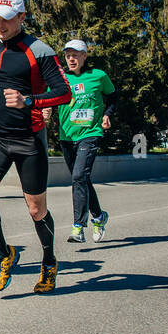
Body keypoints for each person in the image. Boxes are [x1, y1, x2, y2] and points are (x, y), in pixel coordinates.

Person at [0, 0, 71, 293]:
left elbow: (64, 92)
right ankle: (4, 253)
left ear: (22, 18)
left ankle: (49, 261)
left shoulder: (39, 50)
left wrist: (29, 100)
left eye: (6, 19)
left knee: (36, 210)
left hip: (29, 139)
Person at [55, 38, 114, 242]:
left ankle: (78, 226)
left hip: (90, 133)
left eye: (75, 55)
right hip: (67, 136)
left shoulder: (98, 76)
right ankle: (99, 216)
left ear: (84, 56)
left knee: (79, 177)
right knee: (82, 179)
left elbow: (113, 97)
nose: (71, 59)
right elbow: (49, 97)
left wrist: (107, 114)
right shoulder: (60, 78)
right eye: (68, 55)